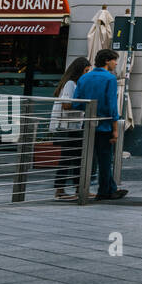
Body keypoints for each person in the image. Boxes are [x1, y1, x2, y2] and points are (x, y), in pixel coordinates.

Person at [74, 49, 126, 200]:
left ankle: (108, 188)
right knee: (105, 158)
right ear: (106, 61)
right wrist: (115, 129)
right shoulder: (110, 79)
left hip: (87, 123)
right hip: (104, 125)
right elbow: (112, 106)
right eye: (114, 60)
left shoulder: (84, 78)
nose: (116, 63)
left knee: (88, 157)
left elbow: (77, 103)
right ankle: (105, 190)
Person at [50, 56, 88, 201]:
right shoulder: (71, 84)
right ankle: (61, 190)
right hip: (68, 127)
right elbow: (66, 105)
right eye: (85, 70)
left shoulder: (74, 83)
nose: (87, 73)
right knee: (68, 159)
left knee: (75, 158)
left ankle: (77, 188)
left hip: (73, 126)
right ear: (79, 70)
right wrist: (84, 104)